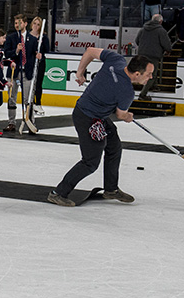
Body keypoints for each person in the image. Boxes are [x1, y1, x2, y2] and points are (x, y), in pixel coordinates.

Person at [46, 48, 154, 207]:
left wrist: (80, 73)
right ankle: (58, 193)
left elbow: (90, 51)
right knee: (90, 162)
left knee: (114, 146)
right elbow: (120, 115)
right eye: (148, 74)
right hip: (87, 118)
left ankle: (110, 189)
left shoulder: (116, 60)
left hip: (99, 117)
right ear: (137, 74)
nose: (150, 77)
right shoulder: (126, 91)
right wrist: (128, 116)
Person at [3, 13, 38, 133]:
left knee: (27, 99)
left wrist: (39, 55)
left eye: (20, 23)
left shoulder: (33, 39)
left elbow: (36, 54)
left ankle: (29, 121)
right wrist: (16, 51)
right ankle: (11, 122)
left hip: (26, 73)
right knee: (11, 98)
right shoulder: (11, 38)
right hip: (14, 72)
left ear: (25, 23)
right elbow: (7, 54)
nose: (17, 25)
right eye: (16, 23)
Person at [135, 13, 172, 100]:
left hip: (142, 54)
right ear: (160, 21)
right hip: (153, 55)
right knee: (151, 74)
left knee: (146, 72)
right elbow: (166, 44)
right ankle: (143, 94)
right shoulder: (161, 31)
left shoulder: (143, 29)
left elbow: (137, 41)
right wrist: (168, 50)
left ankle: (154, 86)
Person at [29, 16, 50, 114]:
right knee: (30, 83)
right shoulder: (27, 36)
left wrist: (41, 53)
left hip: (40, 63)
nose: (36, 26)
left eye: (38, 24)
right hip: (30, 62)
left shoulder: (44, 37)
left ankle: (38, 103)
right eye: (34, 23)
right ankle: (29, 103)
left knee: (38, 83)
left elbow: (47, 49)